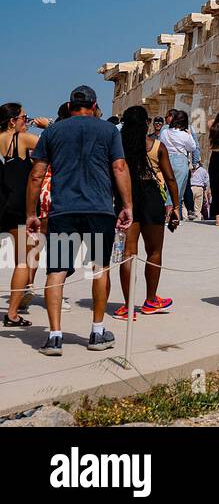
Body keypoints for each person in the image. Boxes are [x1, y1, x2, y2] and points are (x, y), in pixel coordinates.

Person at [25, 85, 132, 356]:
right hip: (99, 209)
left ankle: (55, 337)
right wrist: (127, 205)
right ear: (94, 106)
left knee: (57, 271)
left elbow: (37, 175)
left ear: (70, 105)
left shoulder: (52, 132)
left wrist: (31, 213)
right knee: (99, 269)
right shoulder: (108, 131)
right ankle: (97, 332)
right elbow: (119, 167)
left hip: (64, 210)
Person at [114, 106, 180, 319]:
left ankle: (127, 306)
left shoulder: (118, 146)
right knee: (154, 251)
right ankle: (151, 300)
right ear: (145, 124)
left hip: (127, 199)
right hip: (151, 198)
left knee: (128, 255)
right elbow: (170, 178)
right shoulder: (156, 146)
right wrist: (176, 206)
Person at [1, 103, 51, 327]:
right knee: (24, 261)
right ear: (13, 120)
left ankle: (18, 300)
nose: (27, 121)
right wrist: (47, 126)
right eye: (24, 117)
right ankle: (12, 313)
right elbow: (53, 146)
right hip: (20, 205)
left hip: (3, 203)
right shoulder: (22, 139)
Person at [158, 111, 199, 221]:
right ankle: (172, 216)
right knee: (178, 189)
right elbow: (193, 147)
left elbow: (160, 144)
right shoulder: (185, 135)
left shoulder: (164, 132)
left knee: (166, 187)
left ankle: (166, 214)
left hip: (166, 159)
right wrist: (189, 135)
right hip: (180, 160)